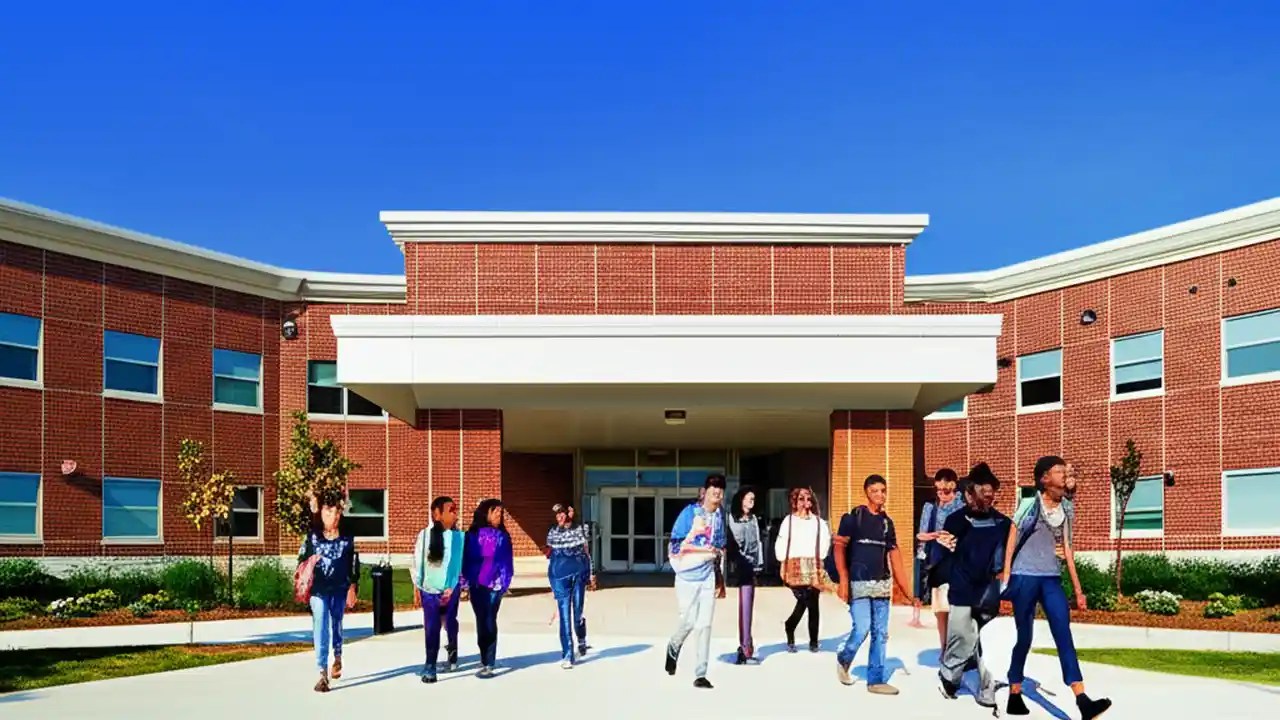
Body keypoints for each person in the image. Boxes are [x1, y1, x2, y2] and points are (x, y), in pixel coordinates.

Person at [1002, 456, 1111, 719]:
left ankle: (1082, 699)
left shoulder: (1067, 509)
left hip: (1051, 578)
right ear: (1043, 479)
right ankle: (1014, 692)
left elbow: (1069, 549)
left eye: (1065, 471)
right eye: (1058, 471)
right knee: (1024, 637)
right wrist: (1005, 582)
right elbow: (1011, 540)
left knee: (1064, 634)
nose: (1064, 476)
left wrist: (1078, 589)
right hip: (1024, 576)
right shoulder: (1029, 504)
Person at [833, 474, 917, 695]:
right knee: (862, 628)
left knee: (880, 633)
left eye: (883, 490)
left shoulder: (887, 523)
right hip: (858, 583)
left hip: (881, 585)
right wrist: (843, 580)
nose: (880, 495)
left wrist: (908, 592)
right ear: (866, 493)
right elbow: (839, 547)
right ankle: (845, 657)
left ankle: (876, 680)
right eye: (875, 491)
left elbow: (895, 556)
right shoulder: (854, 518)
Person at [936, 463, 1010, 709]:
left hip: (988, 590)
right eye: (983, 490)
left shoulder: (1002, 523)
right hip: (961, 588)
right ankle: (950, 676)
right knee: (962, 636)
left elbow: (1011, 553)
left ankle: (985, 687)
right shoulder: (956, 519)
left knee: (984, 641)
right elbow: (942, 551)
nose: (988, 494)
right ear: (970, 493)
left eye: (991, 490)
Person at [664, 474, 727, 689]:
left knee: (705, 624)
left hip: (707, 575)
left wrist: (719, 574)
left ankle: (701, 673)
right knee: (689, 621)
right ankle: (674, 645)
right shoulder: (689, 513)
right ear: (705, 492)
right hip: (686, 577)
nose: (716, 494)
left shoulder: (720, 516)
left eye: (720, 491)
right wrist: (692, 554)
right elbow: (674, 544)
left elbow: (720, 546)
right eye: (713, 490)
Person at [298, 492, 359, 693]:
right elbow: (302, 561)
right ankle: (322, 672)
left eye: (336, 511)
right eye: (328, 511)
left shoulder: (347, 538)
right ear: (321, 513)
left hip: (340, 587)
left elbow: (353, 563)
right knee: (320, 624)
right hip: (319, 589)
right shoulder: (313, 537)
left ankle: (338, 656)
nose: (332, 516)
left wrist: (353, 586)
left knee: (337, 621)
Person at [410, 496, 464, 684]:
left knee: (450, 622)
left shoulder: (459, 537)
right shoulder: (424, 535)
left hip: (451, 589)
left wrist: (458, 585)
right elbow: (418, 562)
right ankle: (430, 666)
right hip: (429, 590)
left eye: (456, 509)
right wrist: (417, 585)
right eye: (451, 510)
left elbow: (460, 564)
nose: (455, 513)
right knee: (432, 628)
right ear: (437, 513)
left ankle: (452, 649)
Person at [462, 498, 515, 678]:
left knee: (490, 620)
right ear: (486, 513)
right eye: (496, 512)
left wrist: (504, 583)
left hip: (495, 585)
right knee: (480, 620)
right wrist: (464, 583)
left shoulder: (503, 536)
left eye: (501, 513)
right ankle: (483, 655)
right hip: (477, 584)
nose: (499, 516)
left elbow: (507, 561)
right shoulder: (471, 536)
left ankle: (489, 662)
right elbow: (466, 560)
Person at [774, 486, 831, 653]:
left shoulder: (818, 522)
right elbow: (782, 541)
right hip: (794, 564)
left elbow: (825, 539)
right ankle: (790, 624)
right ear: (795, 502)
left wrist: (820, 558)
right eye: (801, 498)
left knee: (813, 601)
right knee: (804, 598)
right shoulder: (789, 521)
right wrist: (782, 562)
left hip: (813, 562)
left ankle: (813, 640)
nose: (805, 501)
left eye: (808, 498)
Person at [915, 468, 963, 650]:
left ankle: (957, 648)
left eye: (946, 491)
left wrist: (954, 539)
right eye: (939, 491)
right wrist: (935, 535)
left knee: (957, 610)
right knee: (941, 610)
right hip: (938, 561)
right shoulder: (931, 508)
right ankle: (944, 648)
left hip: (957, 562)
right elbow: (920, 535)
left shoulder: (962, 506)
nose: (942, 495)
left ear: (954, 487)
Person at [547, 502, 593, 668]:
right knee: (564, 615)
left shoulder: (581, 529)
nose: (559, 516)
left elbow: (587, 552)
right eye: (556, 514)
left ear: (569, 513)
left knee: (577, 614)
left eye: (561, 513)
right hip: (560, 577)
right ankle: (567, 655)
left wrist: (590, 573)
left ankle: (581, 639)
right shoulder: (552, 532)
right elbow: (551, 555)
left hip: (578, 575)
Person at [726, 485, 765, 664]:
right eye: (749, 498)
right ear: (740, 499)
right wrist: (740, 561)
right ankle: (744, 648)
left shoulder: (753, 519)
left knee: (748, 605)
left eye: (753, 499)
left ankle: (747, 646)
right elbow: (732, 544)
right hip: (740, 565)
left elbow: (757, 542)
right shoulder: (732, 519)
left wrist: (759, 563)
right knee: (745, 605)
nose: (752, 501)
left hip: (751, 566)